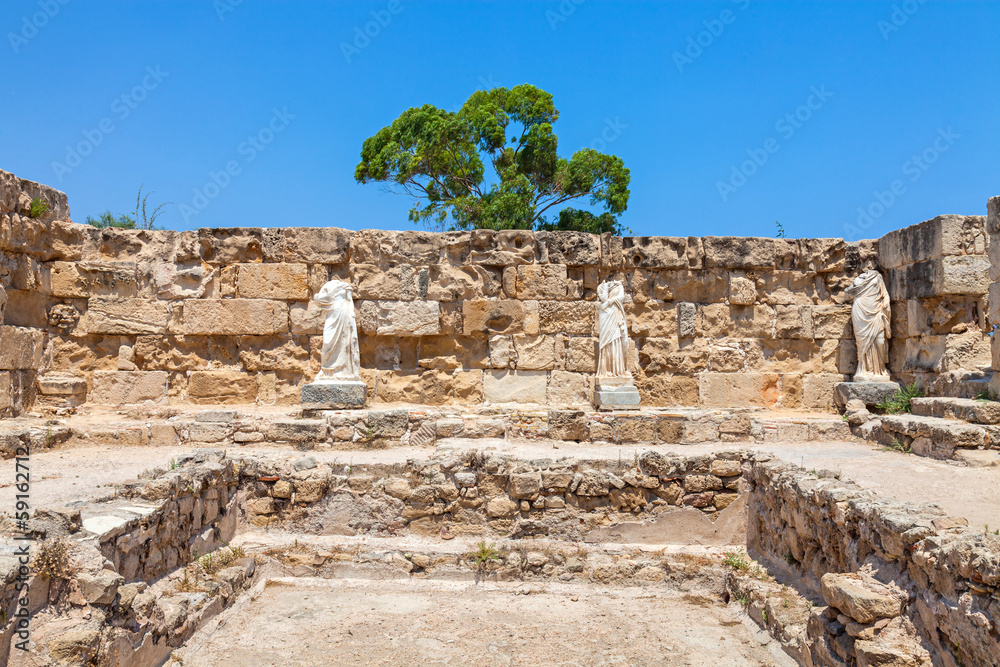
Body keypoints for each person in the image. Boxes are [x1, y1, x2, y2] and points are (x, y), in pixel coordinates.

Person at [845, 268, 891, 381]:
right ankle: (864, 370)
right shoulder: (858, 280)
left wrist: (886, 302)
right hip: (860, 311)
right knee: (862, 343)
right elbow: (848, 293)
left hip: (876, 311)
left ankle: (880, 370)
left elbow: (884, 293)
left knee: (880, 341)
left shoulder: (877, 276)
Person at [312, 279, 361, 382]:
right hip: (333, 313)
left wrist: (352, 313)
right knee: (327, 342)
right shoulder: (328, 286)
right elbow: (321, 299)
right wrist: (317, 298)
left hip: (344, 313)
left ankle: (344, 371)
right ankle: (327, 370)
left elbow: (350, 301)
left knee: (345, 342)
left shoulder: (346, 286)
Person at [597, 280, 631, 379]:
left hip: (616, 313)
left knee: (620, 340)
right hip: (606, 314)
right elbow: (603, 298)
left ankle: (620, 370)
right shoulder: (603, 286)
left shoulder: (619, 285)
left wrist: (610, 301)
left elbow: (621, 297)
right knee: (606, 342)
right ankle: (607, 370)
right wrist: (606, 286)